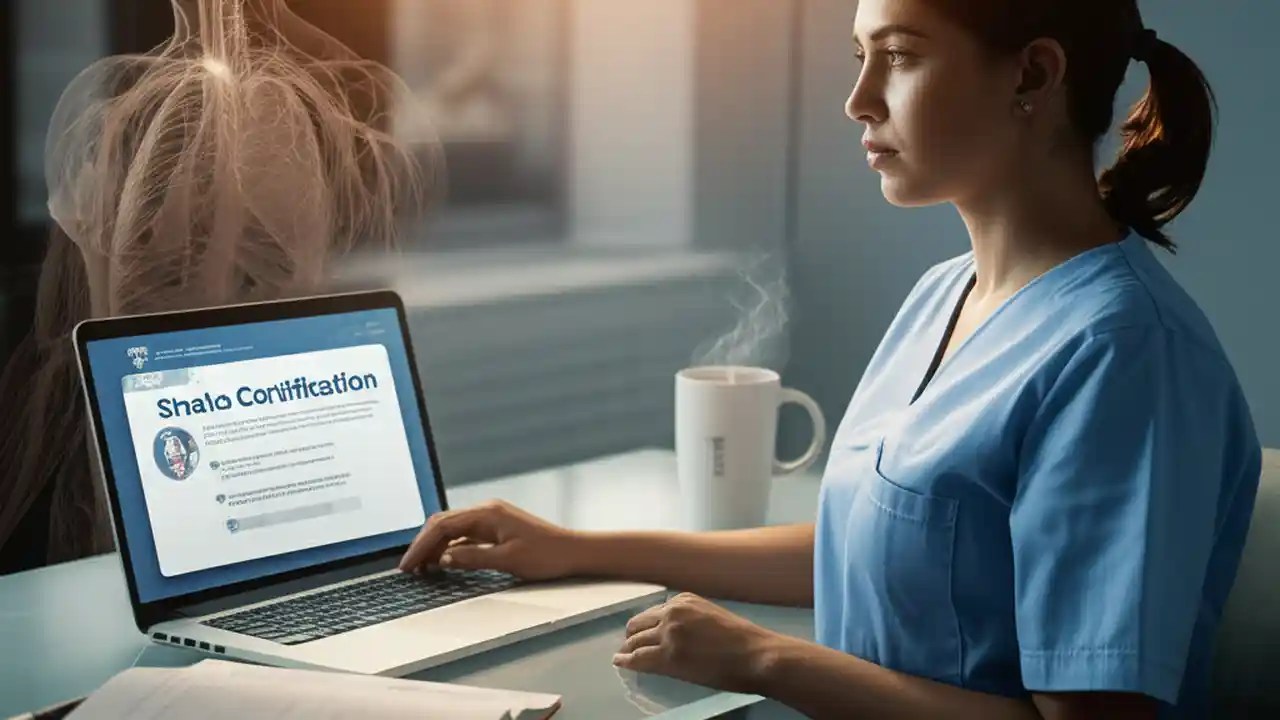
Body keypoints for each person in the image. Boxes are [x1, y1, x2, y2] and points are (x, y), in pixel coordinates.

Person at [400, 1, 1260, 718]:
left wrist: (770, 661)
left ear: (1032, 75)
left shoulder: (1124, 357)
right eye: (859, 56)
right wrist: (580, 547)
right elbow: (875, 547)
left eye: (899, 56)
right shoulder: (944, 293)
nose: (857, 99)